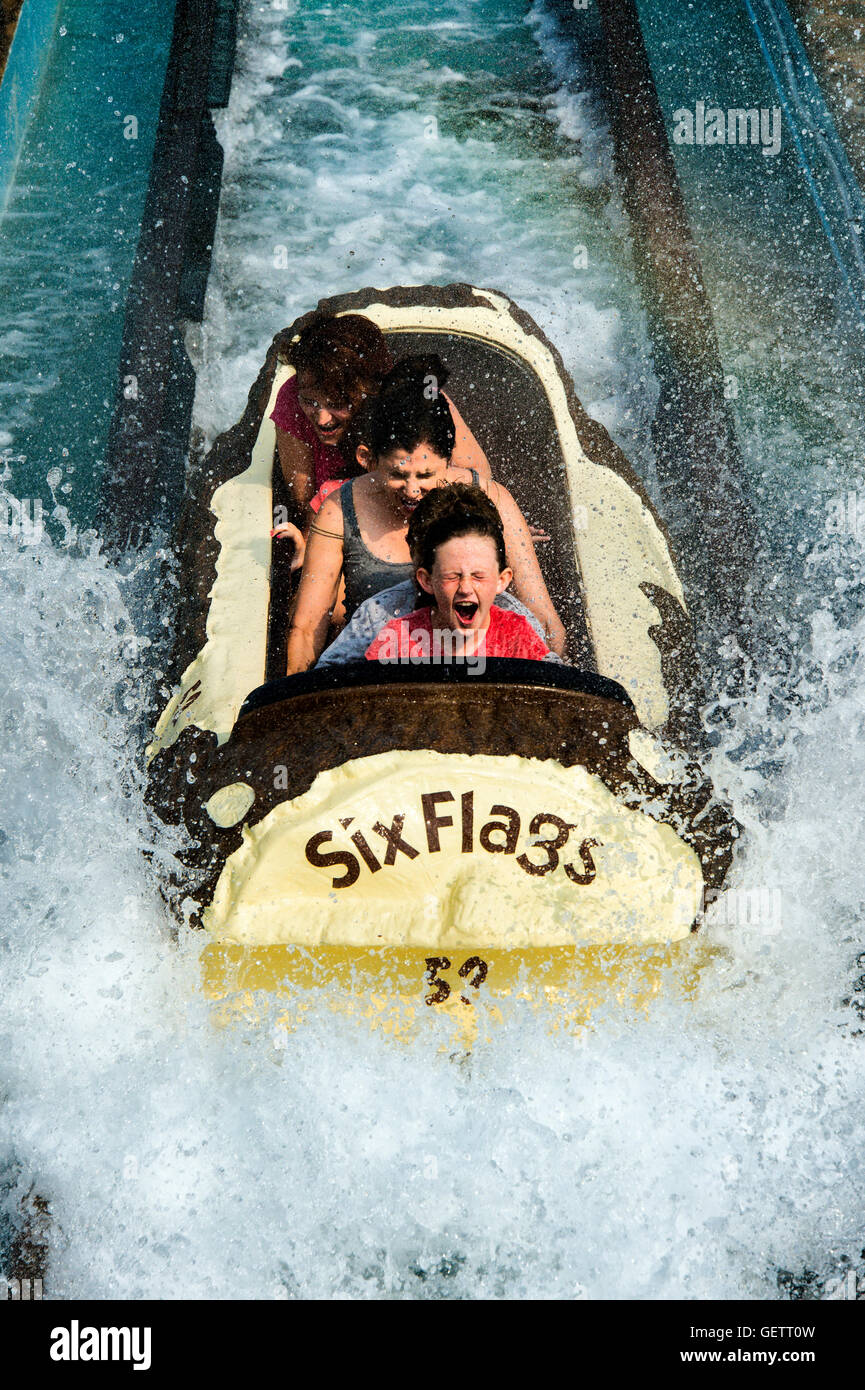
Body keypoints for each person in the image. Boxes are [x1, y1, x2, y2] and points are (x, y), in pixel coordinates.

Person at [285, 360, 566, 673]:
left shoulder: (490, 500)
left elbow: (543, 620)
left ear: (448, 460)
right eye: (397, 474)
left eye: (426, 474)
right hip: (380, 666)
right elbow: (307, 628)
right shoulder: (341, 515)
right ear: (368, 459)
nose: (412, 489)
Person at [272, 312, 489, 526]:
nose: (322, 419)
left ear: (372, 391)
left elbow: (478, 480)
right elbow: (304, 502)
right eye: (310, 401)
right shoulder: (292, 397)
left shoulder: (417, 399)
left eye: (338, 404)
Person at [366, 484, 553, 664]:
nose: (465, 588)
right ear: (427, 580)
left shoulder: (516, 635)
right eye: (452, 576)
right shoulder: (398, 639)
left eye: (478, 576)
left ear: (501, 580)